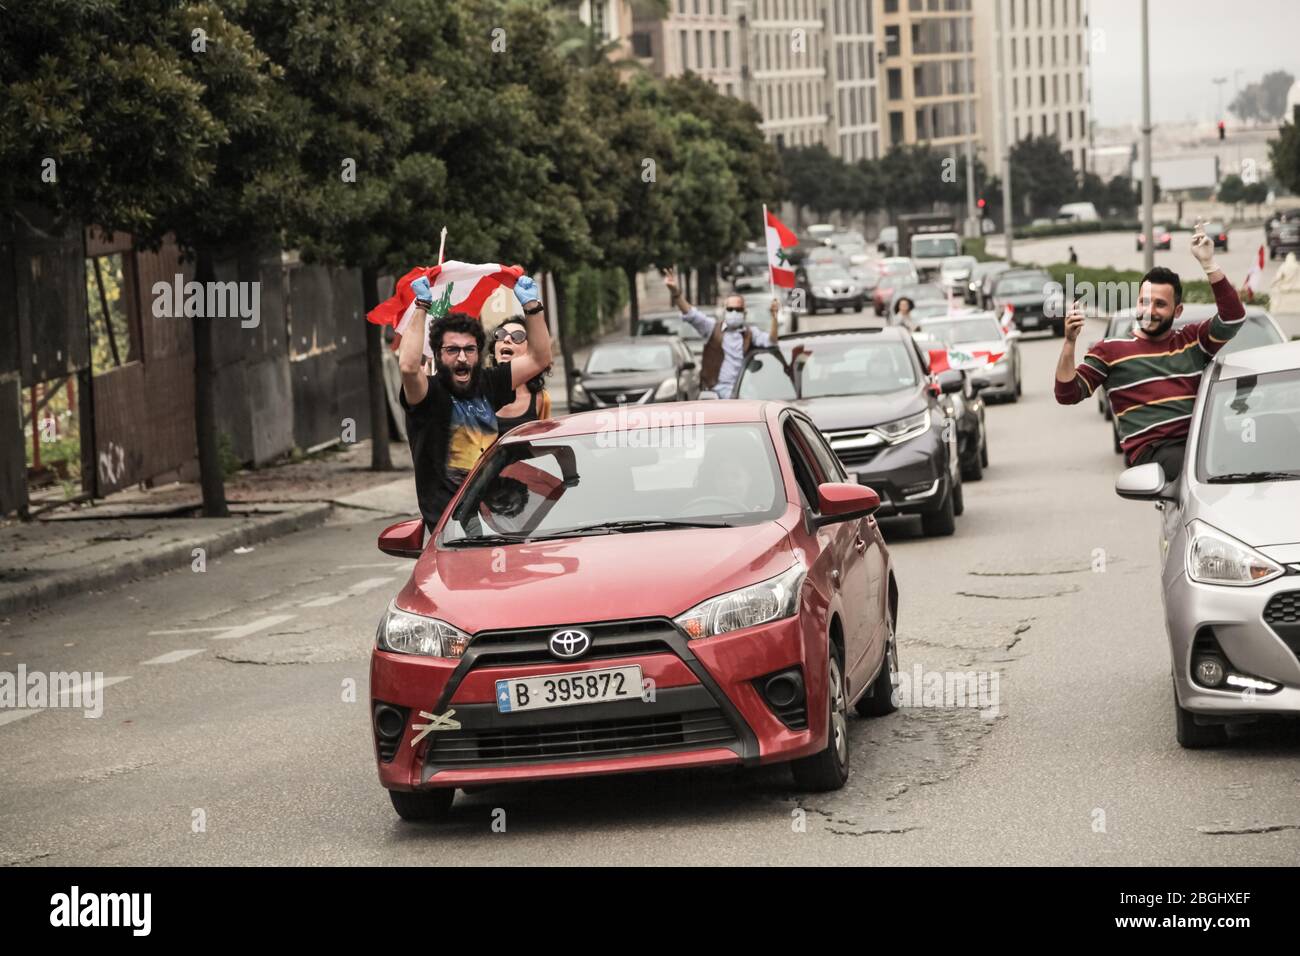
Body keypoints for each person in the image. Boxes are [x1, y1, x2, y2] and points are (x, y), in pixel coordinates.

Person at [1054, 221, 1243, 482]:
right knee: (1203, 471)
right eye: (1144, 301)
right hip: (1158, 453)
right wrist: (1069, 343)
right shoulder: (1110, 350)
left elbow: (1233, 318)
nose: (1150, 310)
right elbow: (1067, 393)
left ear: (1177, 312)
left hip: (1205, 444)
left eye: (1160, 304)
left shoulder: (1192, 340)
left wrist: (1209, 264)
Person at [399, 274, 551, 532]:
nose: (462, 358)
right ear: (438, 354)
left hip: (500, 517)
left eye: (469, 350)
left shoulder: (488, 384)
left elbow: (539, 358)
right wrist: (421, 307)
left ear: (479, 353)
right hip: (454, 528)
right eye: (452, 350)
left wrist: (532, 308)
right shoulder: (428, 394)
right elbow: (408, 367)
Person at [662, 269, 779, 398]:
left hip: (742, 390)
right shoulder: (712, 328)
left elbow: (771, 341)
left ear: (745, 313)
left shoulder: (750, 334)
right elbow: (691, 314)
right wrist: (676, 294)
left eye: (738, 309)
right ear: (724, 311)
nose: (734, 313)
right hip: (715, 391)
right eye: (730, 309)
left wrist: (774, 317)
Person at [489, 317, 552, 434]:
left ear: (531, 351)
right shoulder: (478, 392)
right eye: (501, 334)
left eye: (517, 337)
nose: (507, 339)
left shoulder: (541, 399)